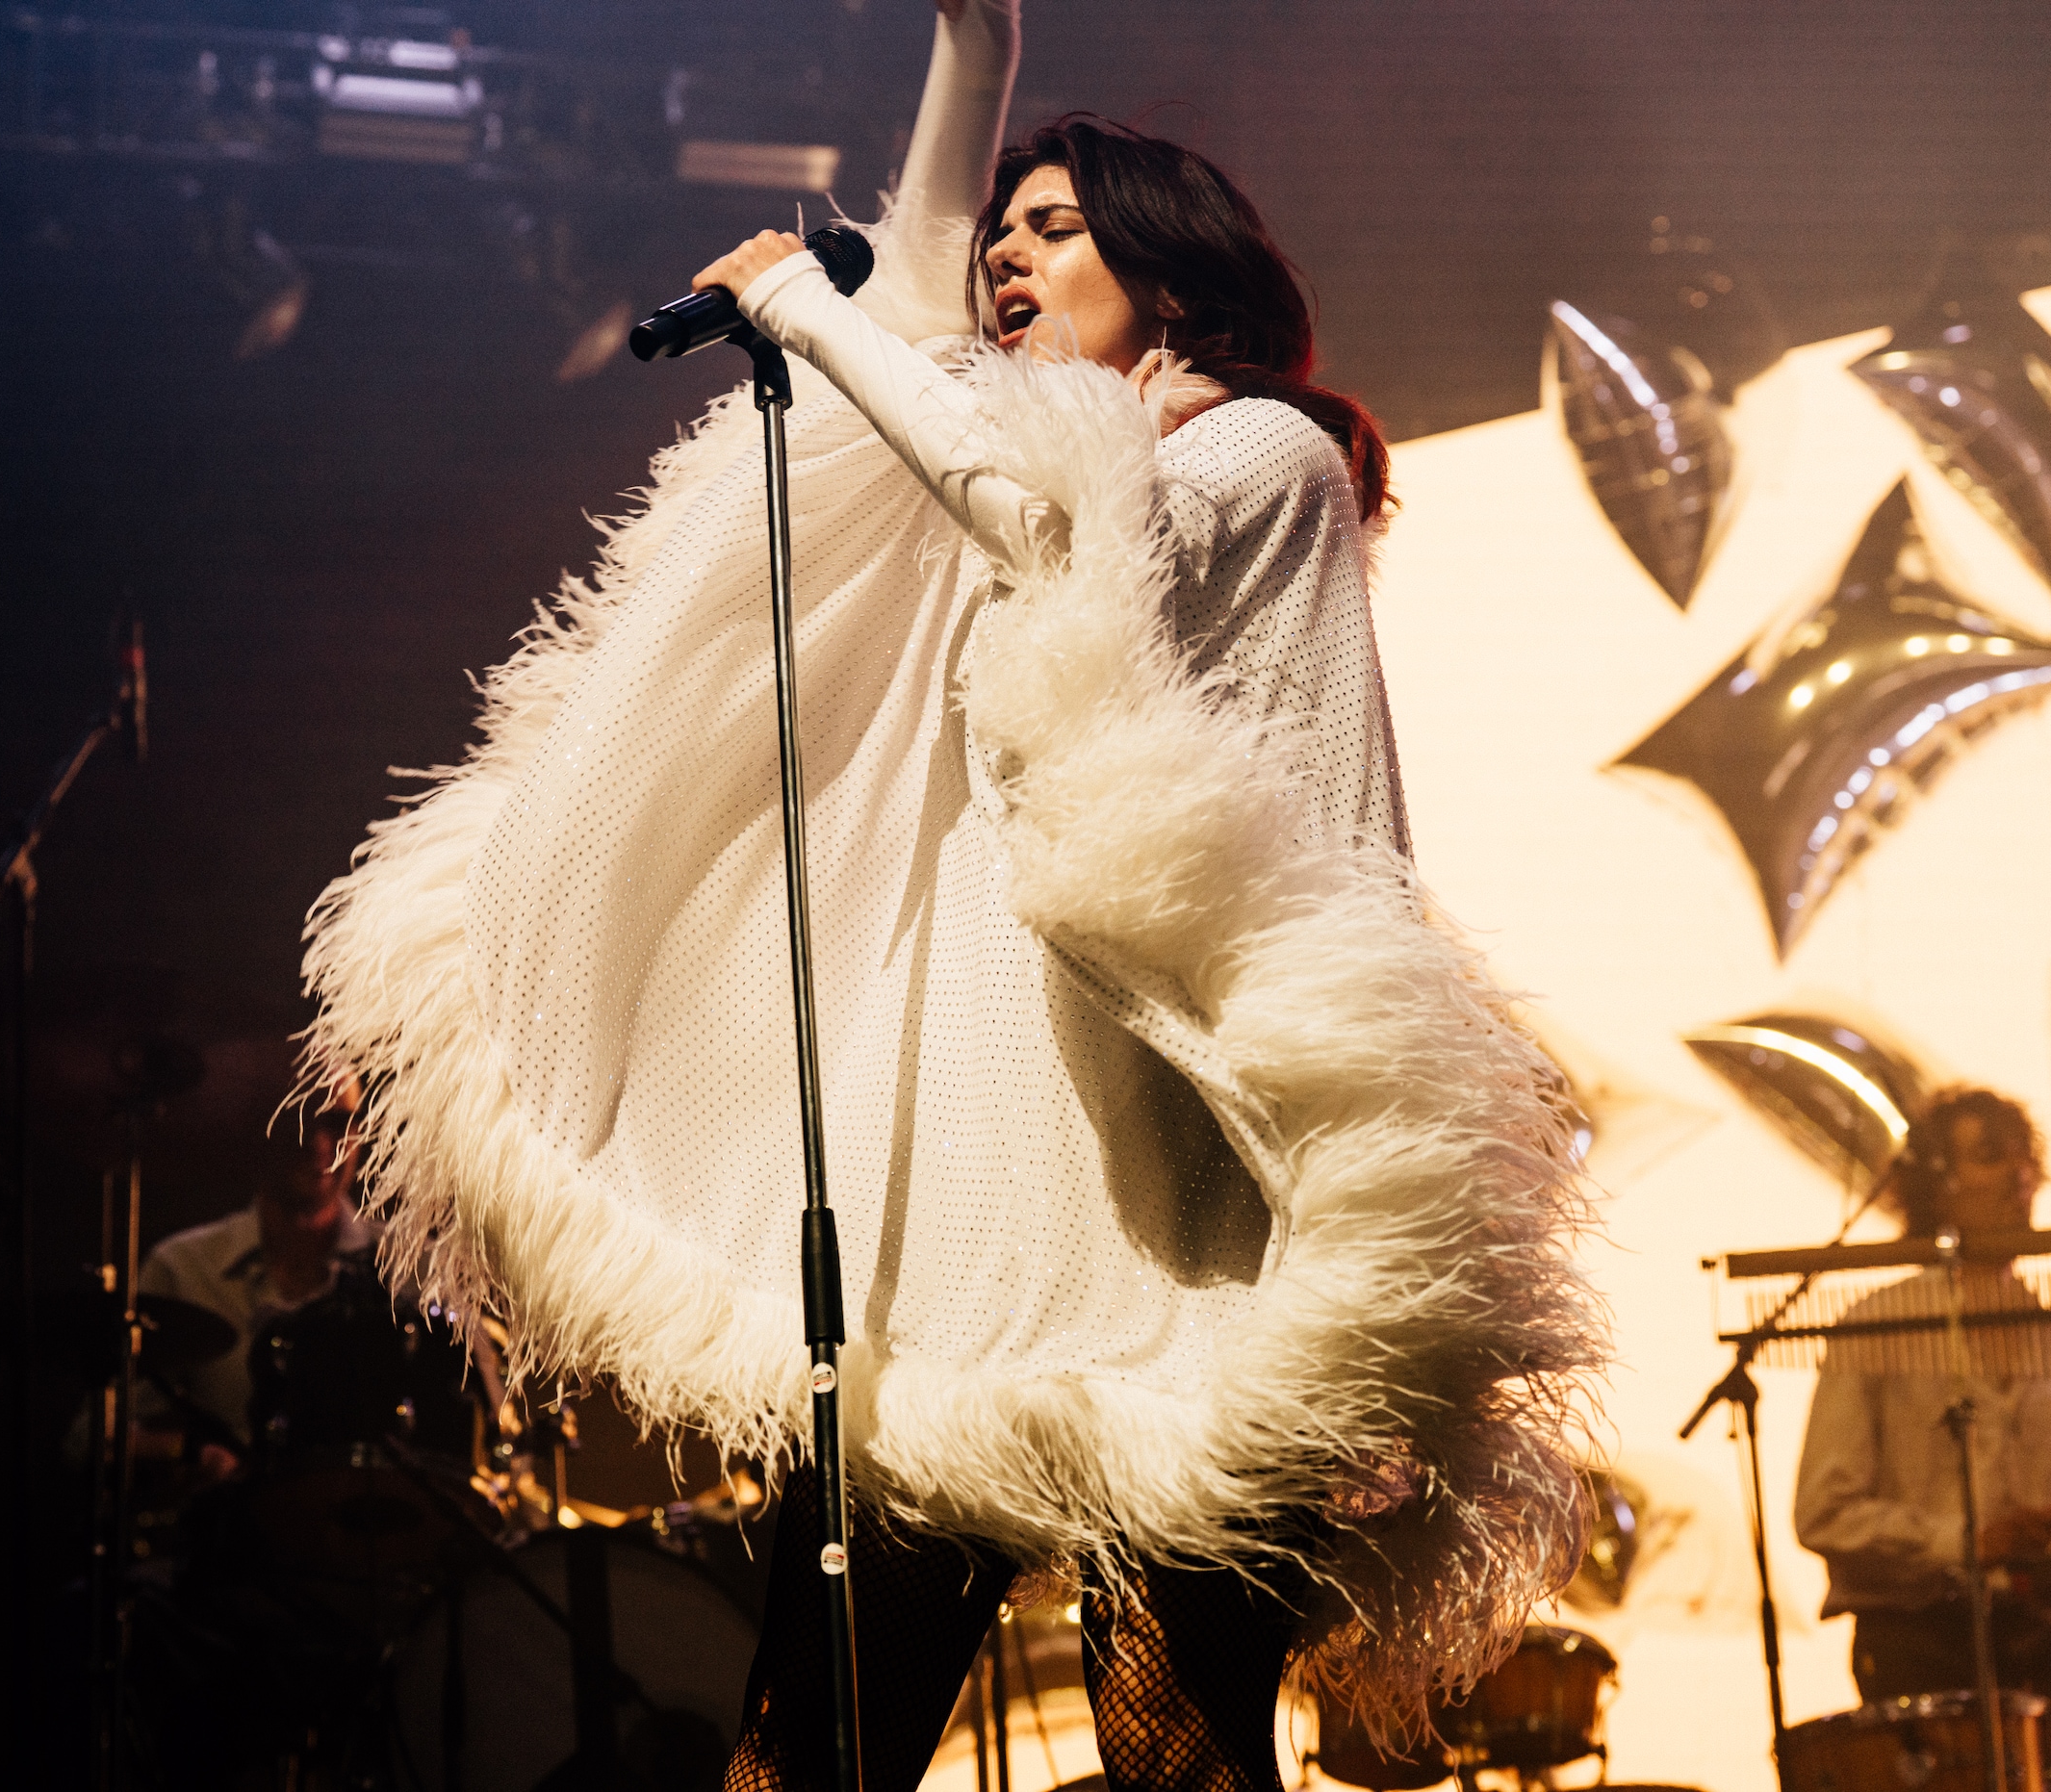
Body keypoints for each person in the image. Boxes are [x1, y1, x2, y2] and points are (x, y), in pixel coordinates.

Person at [304, 3, 1602, 1786]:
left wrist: (810, 311)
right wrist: (963, 37)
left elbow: (1054, 519)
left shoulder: (1262, 453)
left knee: (1181, 1750)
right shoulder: (1002, 453)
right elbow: (924, 274)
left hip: (1191, 1216)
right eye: (1005, 236)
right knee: (810, 1742)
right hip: (975, 1220)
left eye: (1056, 231)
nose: (1005, 258)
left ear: (1175, 272)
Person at [1794, 1087, 2050, 1701]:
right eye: (1990, 1156)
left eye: (2024, 1157)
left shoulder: (2045, 1330)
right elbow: (1825, 1510)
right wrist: (1965, 1539)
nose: (2018, 1174)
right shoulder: (1878, 1324)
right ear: (1939, 1184)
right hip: (1919, 1644)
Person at [137, 1083, 378, 1469]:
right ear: (257, 1125)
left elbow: (495, 1426)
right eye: (295, 1118)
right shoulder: (181, 1269)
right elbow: (94, 1438)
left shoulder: (416, 1271)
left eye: (337, 1122)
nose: (317, 1144)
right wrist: (190, 1453)